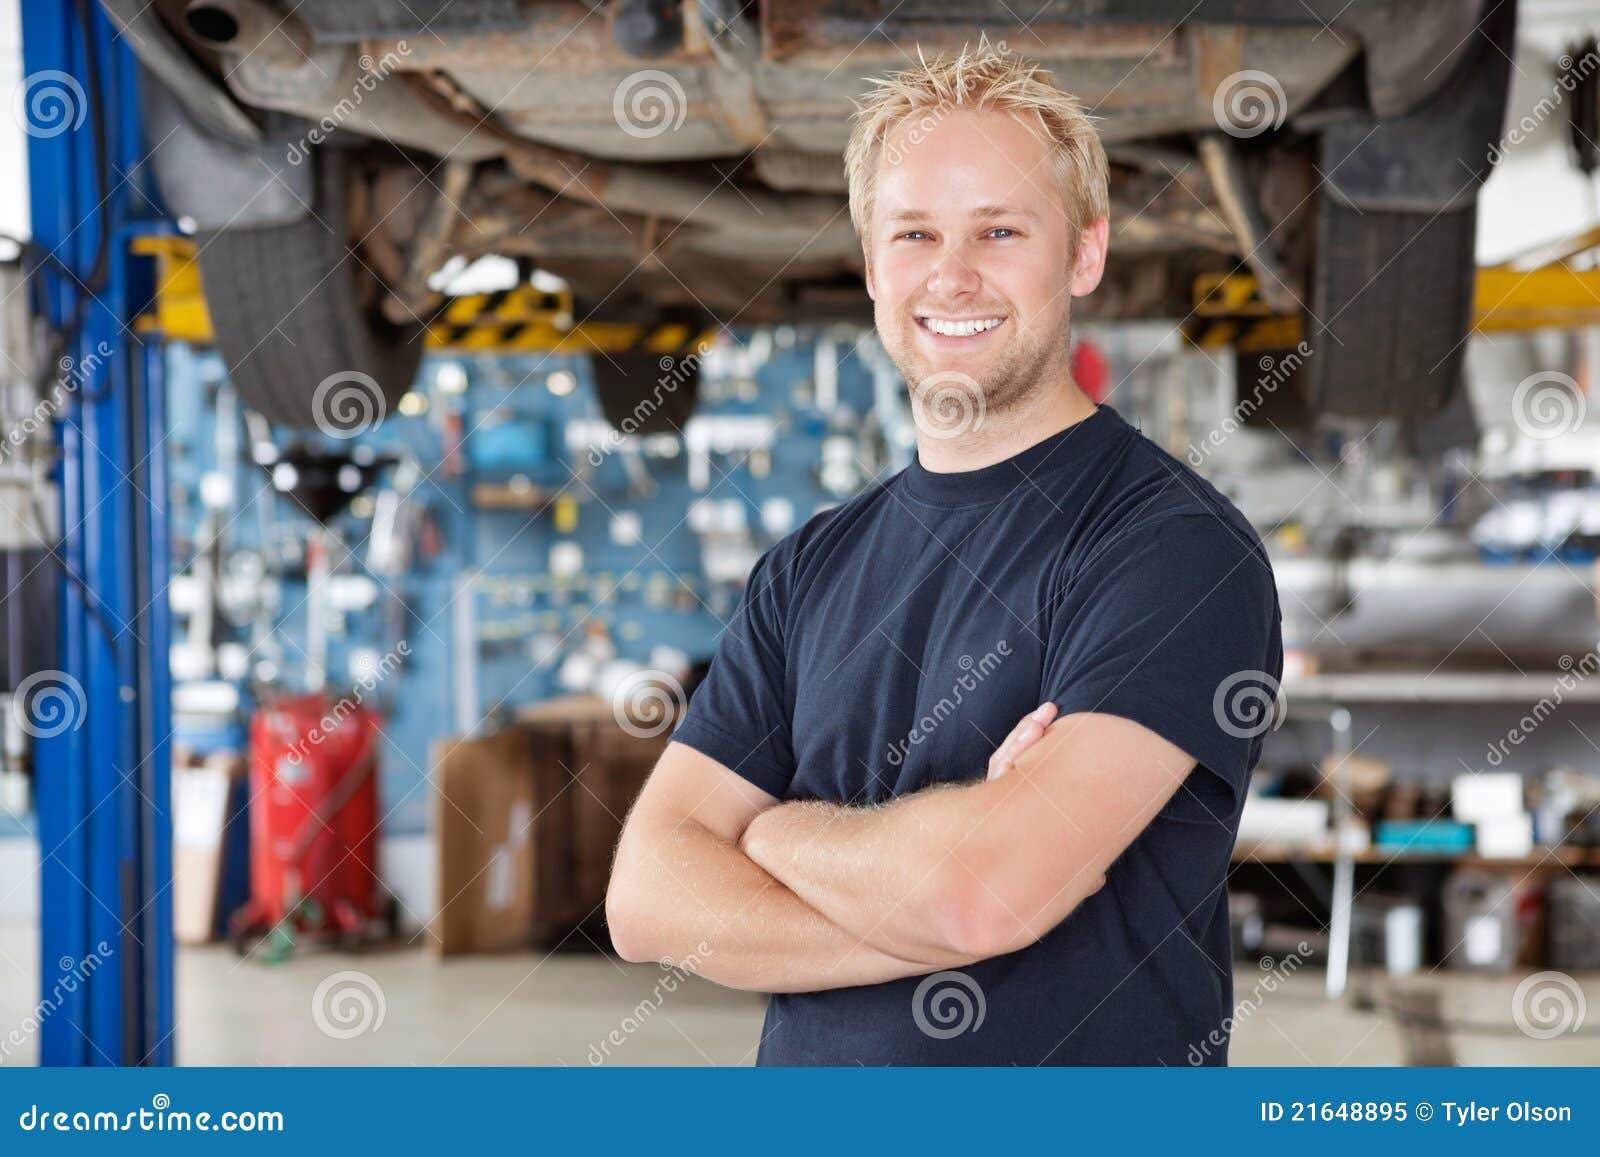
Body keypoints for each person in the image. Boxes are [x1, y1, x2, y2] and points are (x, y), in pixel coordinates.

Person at [606, 37, 1284, 1066]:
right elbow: (646, 899)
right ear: (872, 263)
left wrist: (772, 831)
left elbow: (980, 893)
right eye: (914, 232)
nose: (951, 275)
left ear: (1084, 252)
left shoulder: (1174, 549)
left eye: (1000, 230)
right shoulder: (806, 569)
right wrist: (920, 884)